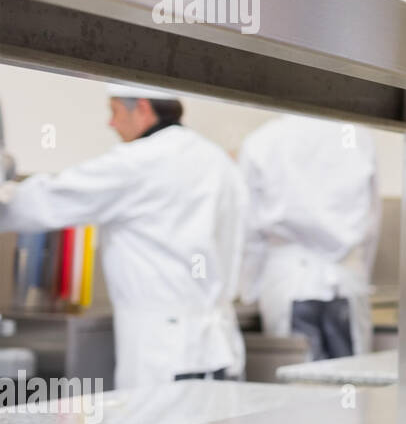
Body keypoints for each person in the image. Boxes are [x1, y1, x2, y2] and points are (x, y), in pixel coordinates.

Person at [0, 83, 247, 387]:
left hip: (162, 351)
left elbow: (51, 200)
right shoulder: (217, 160)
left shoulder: (138, 161)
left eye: (114, 111)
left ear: (142, 107)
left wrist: (7, 194)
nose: (111, 123)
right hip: (218, 347)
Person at [238, 114, 381, 360]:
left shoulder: (263, 139)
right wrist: (359, 271)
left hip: (288, 280)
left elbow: (249, 230)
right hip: (346, 279)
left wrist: (249, 291)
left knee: (299, 387)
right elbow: (373, 220)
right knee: (350, 384)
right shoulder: (358, 136)